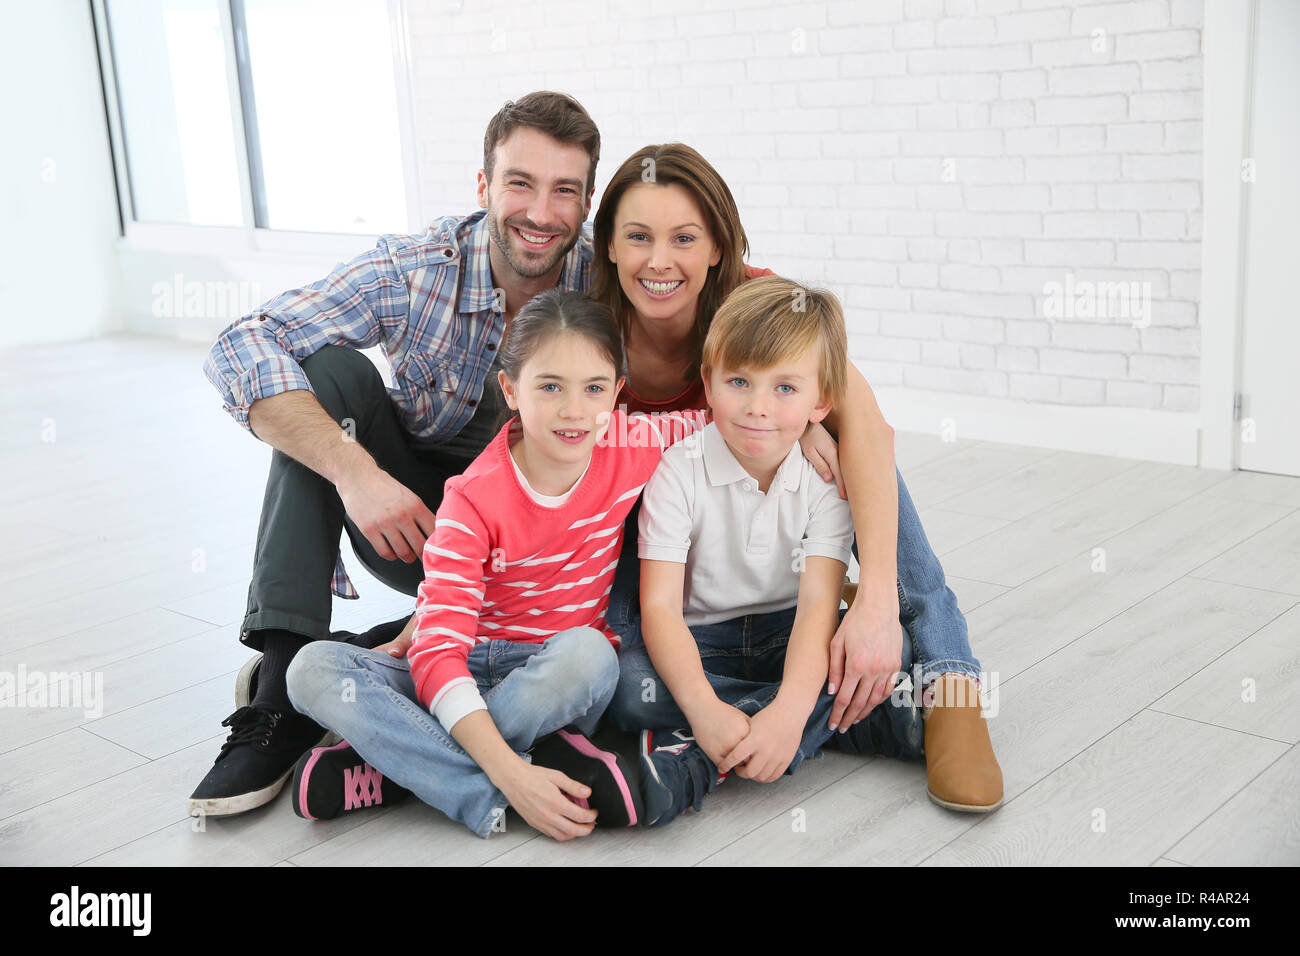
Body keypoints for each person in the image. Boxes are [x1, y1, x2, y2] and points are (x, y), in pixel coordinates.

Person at [376, 142, 1002, 810]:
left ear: (716, 247)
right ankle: (849, 717)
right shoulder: (589, 325)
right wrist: (451, 585)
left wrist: (875, 596)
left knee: (849, 453)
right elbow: (526, 455)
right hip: (641, 556)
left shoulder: (759, 304)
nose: (659, 260)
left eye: (684, 238)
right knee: (626, 683)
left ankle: (946, 682)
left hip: (758, 530)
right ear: (607, 246)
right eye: (638, 237)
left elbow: (869, 430)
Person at [189, 91, 604, 816]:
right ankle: (284, 682)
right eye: (520, 183)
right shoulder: (415, 270)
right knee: (326, 377)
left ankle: (389, 706)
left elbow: (726, 312)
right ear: (483, 186)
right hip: (415, 526)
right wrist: (355, 472)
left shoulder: (607, 281)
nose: (541, 213)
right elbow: (242, 342)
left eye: (564, 190)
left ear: (587, 201)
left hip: (541, 558)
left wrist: (821, 412)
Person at [283, 290, 705, 839]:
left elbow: (730, 420)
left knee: (592, 654)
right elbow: (436, 656)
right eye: (549, 386)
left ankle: (401, 767)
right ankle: (498, 781)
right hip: (465, 664)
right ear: (510, 390)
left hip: (552, 677)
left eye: (595, 388)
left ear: (618, 393)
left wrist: (815, 427)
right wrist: (509, 777)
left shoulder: (631, 442)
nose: (574, 410)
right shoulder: (472, 499)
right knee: (311, 669)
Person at [608, 276, 1000, 827]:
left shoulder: (825, 478)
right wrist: (702, 704)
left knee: (892, 652)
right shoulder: (678, 470)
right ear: (708, 381)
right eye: (739, 382)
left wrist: (788, 714)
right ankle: (871, 724)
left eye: (785, 389)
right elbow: (660, 610)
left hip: (787, 635)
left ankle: (701, 760)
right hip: (702, 641)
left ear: (823, 402)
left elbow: (818, 610)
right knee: (626, 685)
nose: (758, 409)